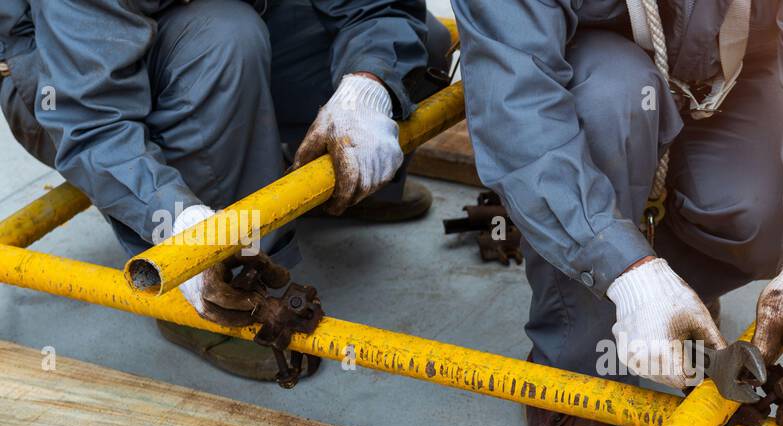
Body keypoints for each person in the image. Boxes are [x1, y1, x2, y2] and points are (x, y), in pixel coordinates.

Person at [451, 0, 783, 426]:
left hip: (727, 70)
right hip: (598, 71)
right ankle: (578, 367)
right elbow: (517, 105)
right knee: (610, 97)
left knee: (765, 208)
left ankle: (677, 298)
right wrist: (629, 275)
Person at [0, 0, 452, 379]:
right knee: (224, 40)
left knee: (417, 40)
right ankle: (220, 283)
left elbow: (372, 7)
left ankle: (329, 180)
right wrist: (179, 226)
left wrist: (366, 87)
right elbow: (93, 122)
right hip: (62, 82)